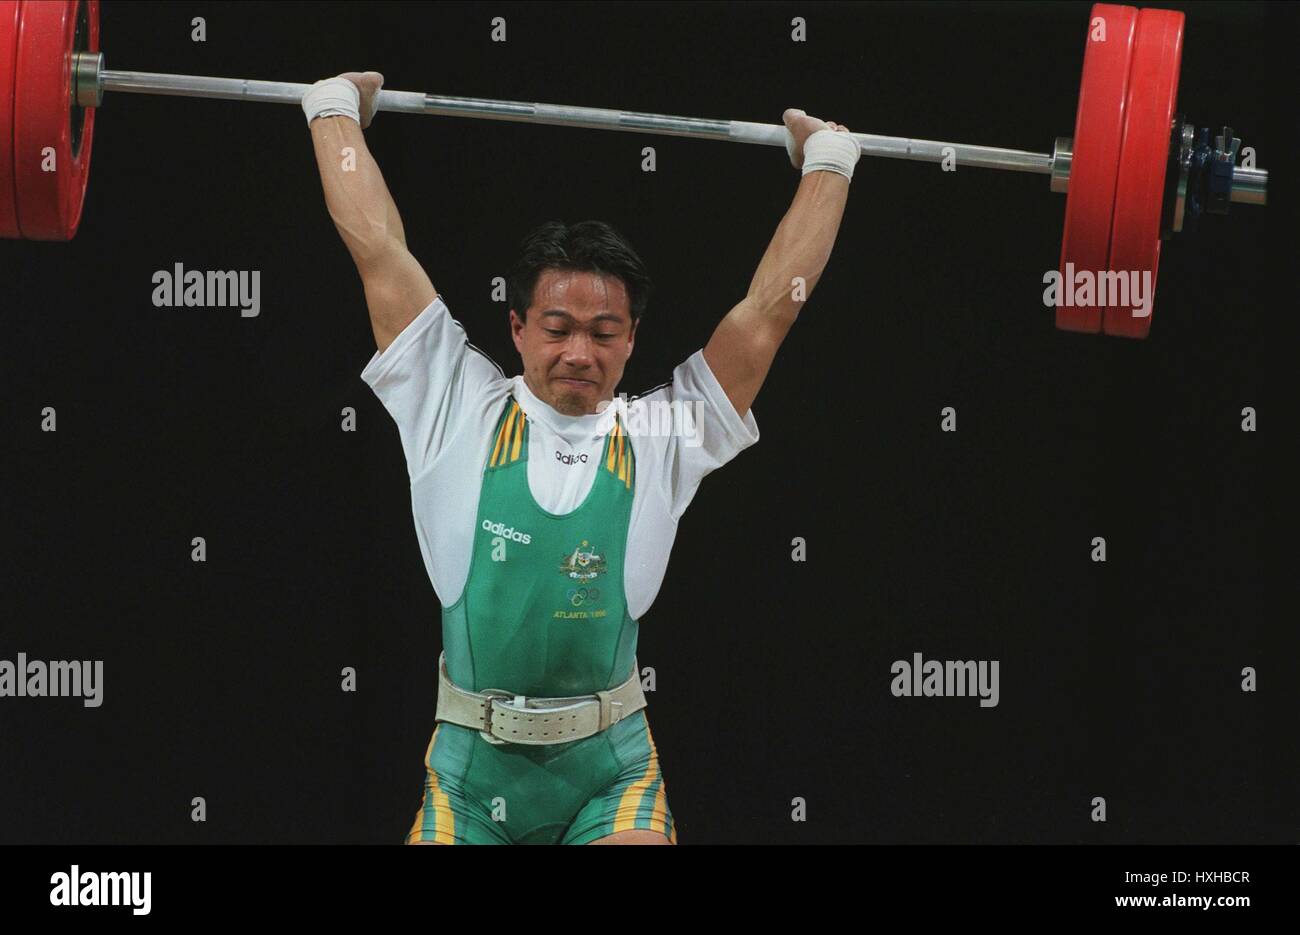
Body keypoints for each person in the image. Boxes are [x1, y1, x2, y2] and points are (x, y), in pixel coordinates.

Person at [302, 71, 859, 844]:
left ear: (632, 340)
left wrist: (830, 163)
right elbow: (378, 251)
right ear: (517, 328)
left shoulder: (663, 434)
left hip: (611, 773)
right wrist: (332, 114)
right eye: (557, 326)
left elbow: (768, 311)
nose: (578, 351)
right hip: (469, 777)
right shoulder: (455, 407)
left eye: (604, 332)